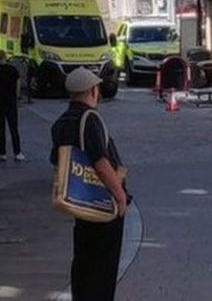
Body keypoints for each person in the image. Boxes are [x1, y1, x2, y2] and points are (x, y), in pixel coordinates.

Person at [50, 68, 129, 301]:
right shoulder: (90, 119)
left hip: (79, 202)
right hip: (102, 203)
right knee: (103, 269)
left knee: (84, 262)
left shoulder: (61, 123)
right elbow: (101, 163)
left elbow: (57, 161)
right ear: (93, 91)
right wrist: (120, 197)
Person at [0, 50, 26, 162]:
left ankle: (2, 153)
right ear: (5, 58)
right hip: (11, 103)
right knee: (14, 128)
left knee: (0, 128)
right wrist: (16, 98)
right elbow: (18, 86)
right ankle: (18, 153)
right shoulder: (13, 70)